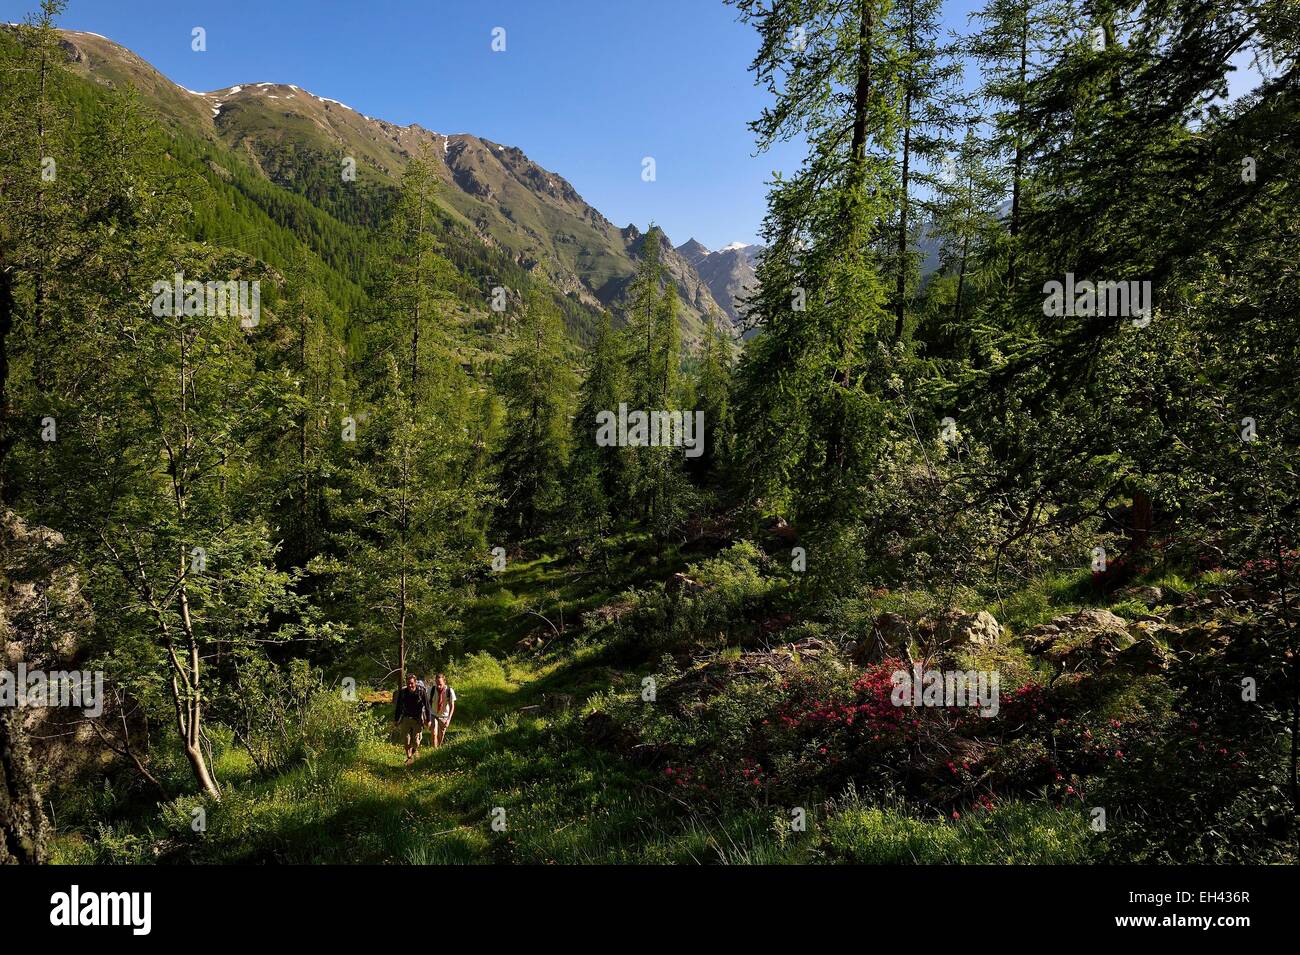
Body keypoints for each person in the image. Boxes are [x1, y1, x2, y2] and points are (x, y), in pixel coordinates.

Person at [393, 673, 430, 765]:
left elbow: (427, 706)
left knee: (416, 742)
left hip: (417, 719)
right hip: (406, 718)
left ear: (415, 683)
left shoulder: (421, 692)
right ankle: (409, 757)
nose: (410, 685)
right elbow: (399, 707)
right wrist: (396, 720)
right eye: (408, 683)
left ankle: (414, 751)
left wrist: (428, 720)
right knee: (406, 740)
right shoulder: (403, 693)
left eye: (412, 683)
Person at [427, 672, 456, 748]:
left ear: (444, 682)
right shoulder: (431, 690)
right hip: (433, 714)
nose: (438, 686)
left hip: (444, 716)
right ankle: (433, 749)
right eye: (437, 684)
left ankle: (438, 748)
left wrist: (449, 719)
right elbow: (427, 704)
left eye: (440, 684)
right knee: (433, 733)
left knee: (441, 735)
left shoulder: (449, 691)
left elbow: (452, 706)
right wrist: (427, 717)